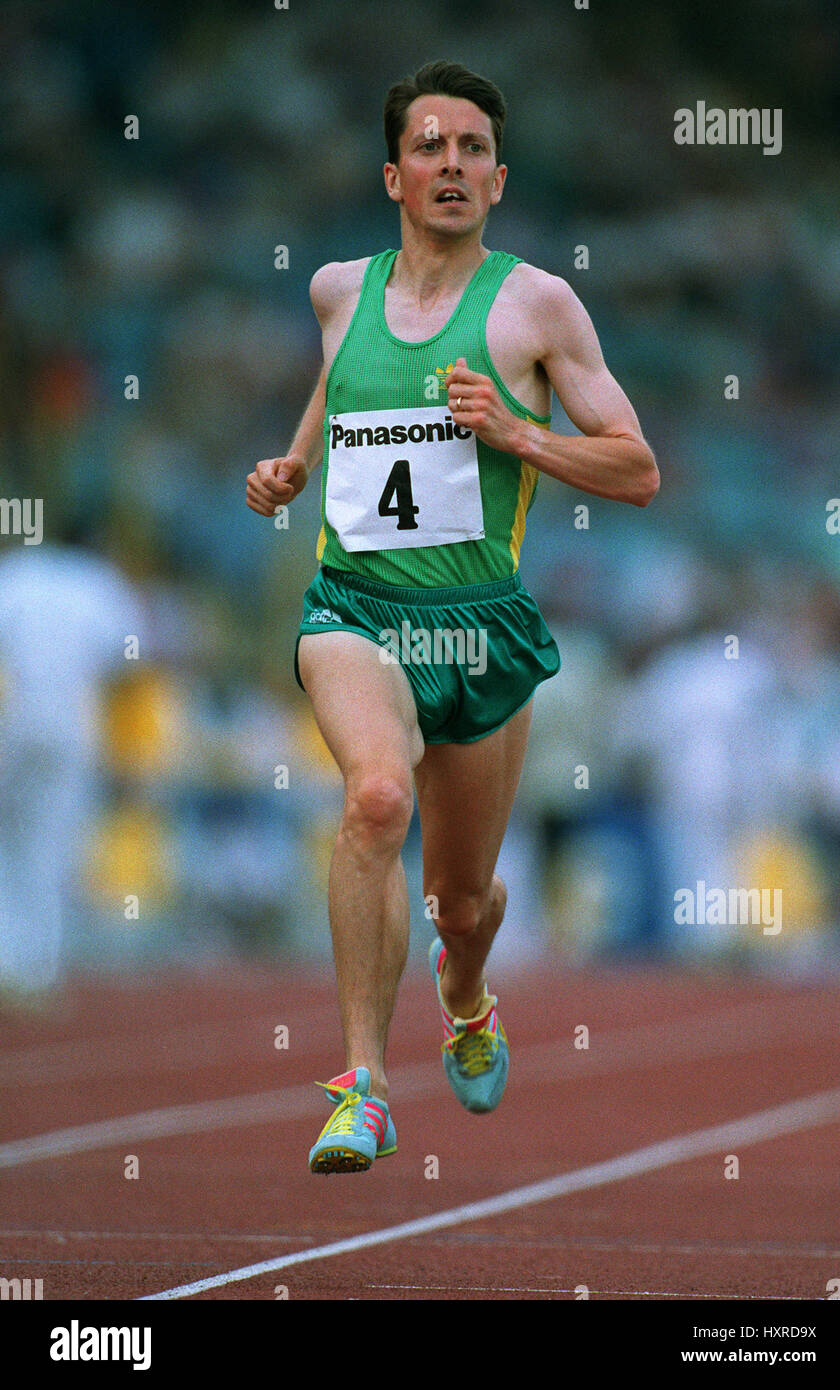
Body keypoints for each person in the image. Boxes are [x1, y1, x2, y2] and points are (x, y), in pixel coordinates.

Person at [245, 60, 658, 1174]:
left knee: (461, 899)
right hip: (356, 609)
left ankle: (465, 992)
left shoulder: (534, 306)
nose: (451, 165)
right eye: (430, 146)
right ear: (393, 174)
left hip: (475, 628)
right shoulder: (337, 288)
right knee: (375, 801)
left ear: (498, 179)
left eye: (472, 149)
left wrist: (517, 432)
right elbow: (340, 383)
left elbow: (635, 470)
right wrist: (292, 462)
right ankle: (362, 1088)